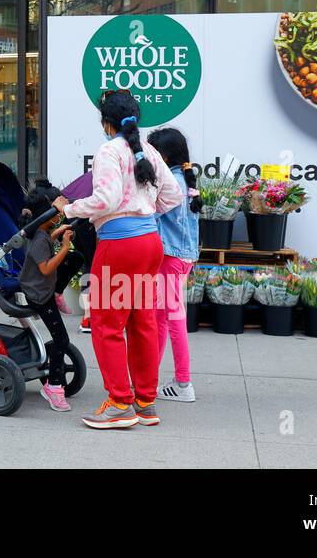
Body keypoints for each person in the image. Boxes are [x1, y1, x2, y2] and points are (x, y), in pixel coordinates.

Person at [53, 90, 183, 430]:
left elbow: (106, 200)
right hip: (149, 243)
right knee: (142, 323)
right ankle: (144, 402)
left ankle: (120, 403)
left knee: (107, 325)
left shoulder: (109, 151)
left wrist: (69, 209)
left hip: (120, 245)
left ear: (105, 122)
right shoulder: (150, 152)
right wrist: (145, 210)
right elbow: (174, 196)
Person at [147, 127, 201, 403]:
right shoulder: (184, 179)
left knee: (171, 318)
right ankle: (152, 379)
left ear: (165, 156)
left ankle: (182, 382)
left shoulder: (175, 184)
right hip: (181, 256)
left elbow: (151, 213)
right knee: (164, 318)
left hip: (171, 258)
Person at [20, 182, 84, 412]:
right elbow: (46, 268)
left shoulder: (43, 233)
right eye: (56, 214)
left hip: (46, 289)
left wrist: (58, 235)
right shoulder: (38, 240)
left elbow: (47, 251)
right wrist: (64, 246)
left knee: (77, 257)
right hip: (39, 296)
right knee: (61, 340)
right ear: (46, 215)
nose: (59, 217)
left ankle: (58, 292)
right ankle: (53, 387)